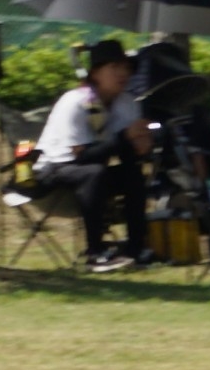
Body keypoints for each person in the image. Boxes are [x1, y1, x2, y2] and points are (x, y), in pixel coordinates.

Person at [32, 37, 156, 271]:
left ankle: (136, 248)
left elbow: (127, 149)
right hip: (53, 169)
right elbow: (80, 156)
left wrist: (141, 144)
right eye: (115, 67)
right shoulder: (77, 102)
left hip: (92, 170)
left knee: (133, 174)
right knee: (93, 173)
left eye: (126, 68)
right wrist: (124, 138)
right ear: (96, 73)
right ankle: (95, 252)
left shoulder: (126, 102)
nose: (123, 74)